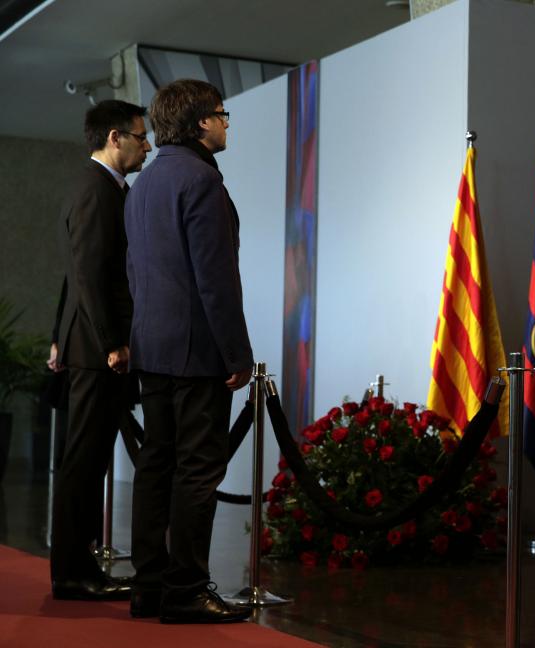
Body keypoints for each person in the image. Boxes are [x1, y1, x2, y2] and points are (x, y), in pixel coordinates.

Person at [124, 79, 253, 623]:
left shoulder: (144, 183)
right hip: (197, 352)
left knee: (156, 466)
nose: (227, 123)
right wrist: (237, 355)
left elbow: (135, 272)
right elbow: (215, 280)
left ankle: (150, 586)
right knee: (198, 472)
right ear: (201, 121)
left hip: (151, 348)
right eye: (223, 114)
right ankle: (186, 590)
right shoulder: (201, 181)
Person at [50, 100, 150, 599]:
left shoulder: (97, 188)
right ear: (115, 137)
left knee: (87, 463)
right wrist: (112, 342)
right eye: (140, 135)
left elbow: (73, 275)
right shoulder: (97, 191)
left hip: (88, 343)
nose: (147, 144)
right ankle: (72, 573)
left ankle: (78, 569)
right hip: (98, 349)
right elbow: (88, 275)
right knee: (84, 463)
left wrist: (57, 334)